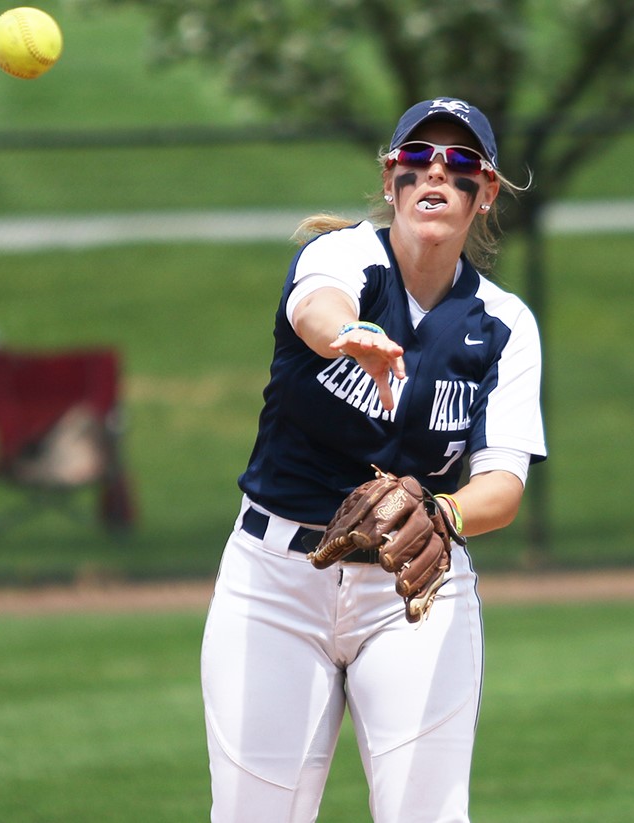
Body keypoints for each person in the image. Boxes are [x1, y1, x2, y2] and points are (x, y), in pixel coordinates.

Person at [200, 97, 547, 823]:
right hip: (274, 583)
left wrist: (442, 513)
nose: (434, 175)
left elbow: (503, 482)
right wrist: (349, 334)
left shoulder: (504, 324)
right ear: (390, 181)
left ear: (483, 195)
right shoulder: (344, 258)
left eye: (458, 166)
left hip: (411, 592)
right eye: (416, 159)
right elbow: (313, 306)